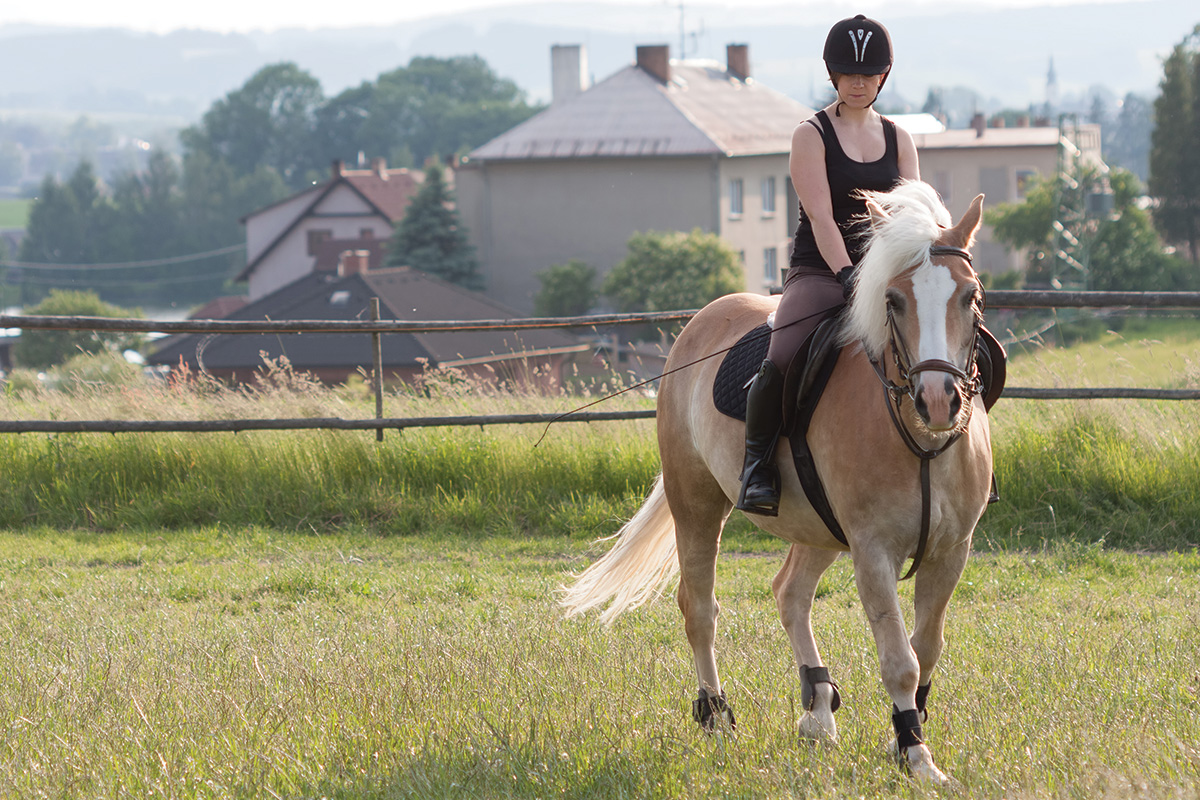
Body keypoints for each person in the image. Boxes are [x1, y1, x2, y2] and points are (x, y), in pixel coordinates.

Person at [736, 14, 921, 516]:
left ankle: (967, 460)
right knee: (783, 352)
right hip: (822, 272)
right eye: (848, 74)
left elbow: (910, 217)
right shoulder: (811, 135)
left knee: (953, 344)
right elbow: (821, 216)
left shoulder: (900, 138)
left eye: (868, 74)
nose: (858, 83)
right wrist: (847, 276)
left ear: (883, 77)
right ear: (832, 75)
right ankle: (757, 467)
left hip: (887, 272)